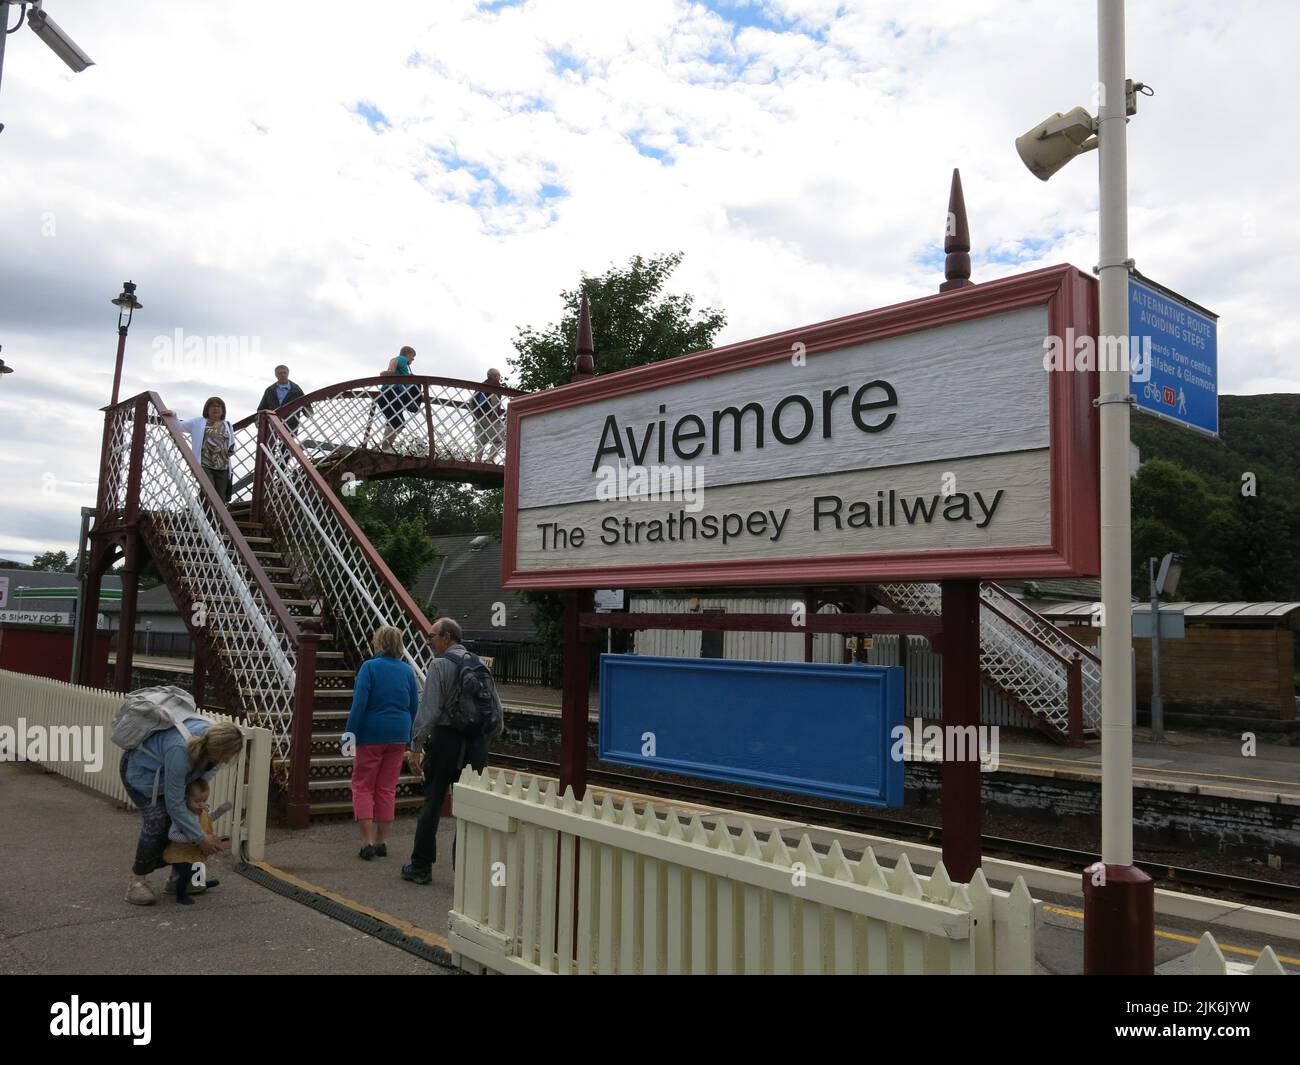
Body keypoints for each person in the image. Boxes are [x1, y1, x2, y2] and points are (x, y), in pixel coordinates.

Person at [402, 618, 496, 885]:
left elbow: (429, 710)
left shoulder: (440, 665)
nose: (428, 642)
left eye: (430, 636)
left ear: (446, 637)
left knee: (432, 802)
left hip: (445, 741)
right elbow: (495, 708)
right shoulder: (478, 663)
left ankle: (421, 866)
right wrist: (484, 739)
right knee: (470, 807)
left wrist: (416, 747)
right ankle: (465, 870)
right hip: (475, 743)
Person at [121, 717, 243, 905]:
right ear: (218, 750)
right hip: (142, 774)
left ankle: (178, 878)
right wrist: (201, 838)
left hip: (171, 776)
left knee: (188, 819)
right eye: (226, 756)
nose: (227, 761)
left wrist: (195, 819)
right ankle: (137, 882)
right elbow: (174, 803)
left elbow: (191, 791)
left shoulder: (213, 750)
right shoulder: (180, 750)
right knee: (158, 820)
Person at [345, 625, 420, 860]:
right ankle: (382, 840)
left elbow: (359, 704)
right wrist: (411, 736)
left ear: (379, 643)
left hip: (371, 734)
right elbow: (414, 706)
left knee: (363, 786)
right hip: (399, 733)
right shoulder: (408, 672)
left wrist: (350, 733)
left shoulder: (369, 668)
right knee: (387, 788)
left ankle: (366, 842)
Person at [162, 779, 231, 905]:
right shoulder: (182, 816)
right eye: (196, 801)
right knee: (186, 873)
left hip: (193, 850)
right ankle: (181, 895)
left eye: (204, 801)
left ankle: (200, 884)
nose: (201, 804)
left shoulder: (199, 812)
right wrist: (191, 838)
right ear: (186, 799)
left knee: (198, 865)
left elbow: (207, 820)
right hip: (180, 853)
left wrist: (220, 811)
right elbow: (172, 835)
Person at [167, 398, 236, 503]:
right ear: (207, 409)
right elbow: (179, 426)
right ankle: (203, 517)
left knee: (220, 497)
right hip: (204, 464)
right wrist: (173, 414)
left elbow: (232, 444)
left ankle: (210, 517)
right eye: (212, 406)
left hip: (223, 466)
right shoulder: (198, 422)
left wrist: (232, 450)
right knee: (208, 491)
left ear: (223, 410)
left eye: (218, 406)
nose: (216, 408)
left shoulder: (227, 425)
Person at [374, 346, 419, 452]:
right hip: (391, 394)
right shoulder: (400, 359)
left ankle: (386, 448)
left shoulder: (404, 364)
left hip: (391, 395)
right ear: (407, 354)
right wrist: (385, 373)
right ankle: (385, 448)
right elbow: (391, 368)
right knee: (397, 422)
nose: (412, 360)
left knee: (396, 422)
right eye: (412, 358)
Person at [257, 365, 312, 432]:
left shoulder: (296, 389)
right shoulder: (270, 390)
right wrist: (258, 420)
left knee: (287, 442)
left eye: (284, 373)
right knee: (271, 442)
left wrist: (308, 412)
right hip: (273, 424)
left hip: (291, 424)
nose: (283, 375)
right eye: (280, 373)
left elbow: (304, 403)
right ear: (276, 375)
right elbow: (262, 408)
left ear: (288, 374)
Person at [471, 368, 506, 463]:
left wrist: (474, 415)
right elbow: (494, 399)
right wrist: (495, 414)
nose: (500, 378)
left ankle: (477, 461)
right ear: (495, 376)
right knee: (500, 440)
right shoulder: (495, 385)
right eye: (499, 376)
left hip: (478, 417)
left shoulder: (481, 385)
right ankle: (489, 460)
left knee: (481, 441)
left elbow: (471, 400)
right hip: (489, 417)